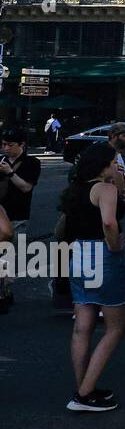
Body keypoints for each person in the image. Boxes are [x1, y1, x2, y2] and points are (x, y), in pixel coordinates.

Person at [62, 143, 125, 411]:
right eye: (114, 162)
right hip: (101, 254)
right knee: (116, 326)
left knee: (83, 326)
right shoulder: (105, 189)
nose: (117, 165)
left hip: (78, 253)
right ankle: (84, 393)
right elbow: (109, 222)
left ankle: (83, 387)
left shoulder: (75, 189)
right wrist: (115, 245)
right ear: (103, 165)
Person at [0, 126, 41, 313]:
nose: (5, 148)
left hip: (18, 216)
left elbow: (26, 188)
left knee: (9, 257)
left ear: (22, 145)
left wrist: (9, 172)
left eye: (10, 145)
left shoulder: (31, 163)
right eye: (3, 144)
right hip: (1, 214)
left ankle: (5, 291)